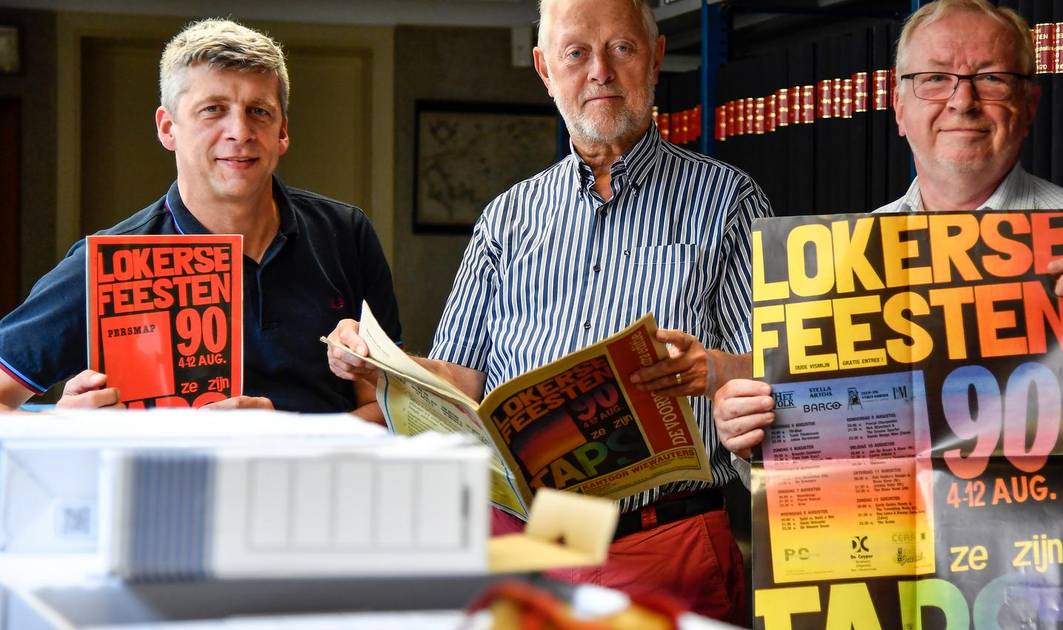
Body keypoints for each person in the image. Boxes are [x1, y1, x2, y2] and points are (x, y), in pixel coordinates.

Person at [713, 1, 1063, 627]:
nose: (962, 101)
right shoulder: (840, 263)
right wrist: (751, 435)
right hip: (881, 606)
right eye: (935, 77)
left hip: (1053, 610)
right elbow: (817, 456)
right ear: (899, 106)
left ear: (1029, 104)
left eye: (992, 78)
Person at [327, 0, 772, 621]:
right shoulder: (507, 219)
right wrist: (381, 364)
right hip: (528, 543)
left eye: (622, 48)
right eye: (576, 53)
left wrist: (714, 369)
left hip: (668, 543)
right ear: (543, 68)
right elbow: (462, 377)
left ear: (656, 57)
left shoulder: (728, 200)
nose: (601, 73)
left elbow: (780, 371)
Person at [0, 19, 402, 418]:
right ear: (167, 128)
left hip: (318, 481)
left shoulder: (346, 234)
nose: (239, 131)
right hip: (167, 483)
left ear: (282, 131)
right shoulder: (107, 264)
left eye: (259, 111)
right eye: (213, 110)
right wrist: (64, 427)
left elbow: (395, 408)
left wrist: (286, 438)